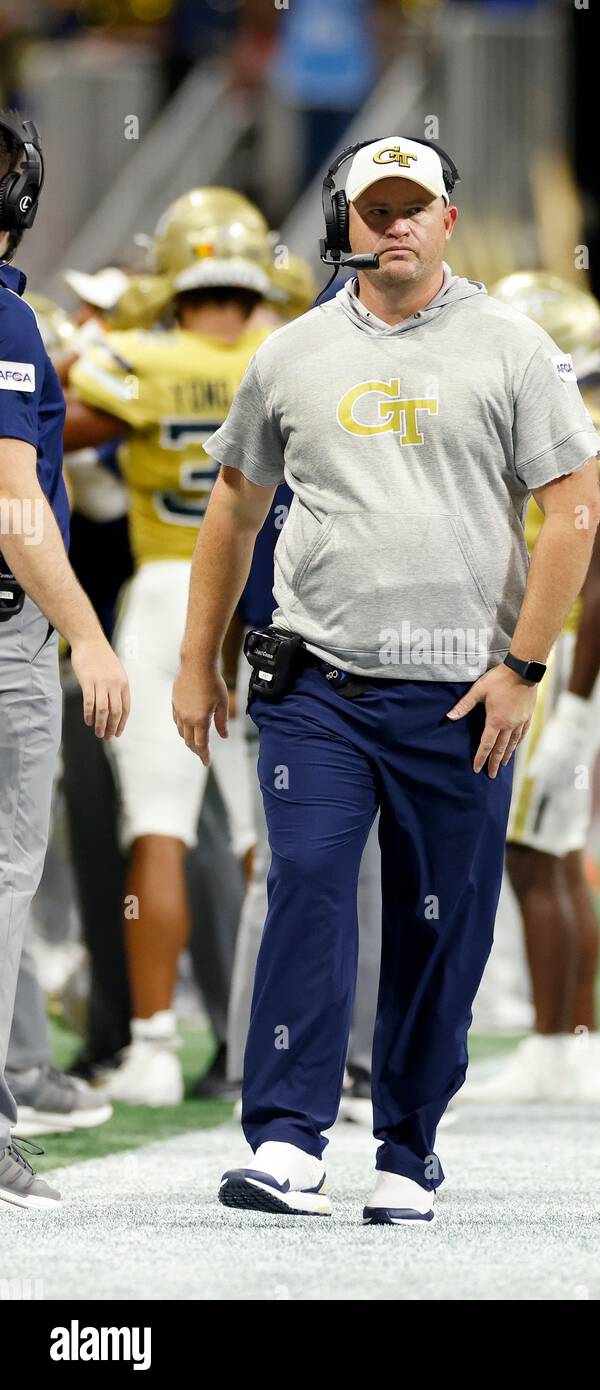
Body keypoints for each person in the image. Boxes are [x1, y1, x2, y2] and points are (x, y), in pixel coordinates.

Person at [172, 134, 600, 1224]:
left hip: (462, 693)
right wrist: (196, 658)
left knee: (438, 924)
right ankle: (285, 1136)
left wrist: (523, 667)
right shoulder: (291, 353)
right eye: (378, 208)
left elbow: (574, 508)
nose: (397, 224)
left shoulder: (514, 347)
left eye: (417, 206)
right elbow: (233, 504)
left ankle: (407, 1147)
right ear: (344, 225)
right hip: (315, 684)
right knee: (306, 883)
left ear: (449, 221)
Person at [62, 189, 277, 1105]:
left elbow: (49, 427)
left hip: (164, 598)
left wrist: (84, 336)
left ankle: (152, 1042)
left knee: (159, 823)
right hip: (264, 610)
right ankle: (266, 1039)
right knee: (266, 840)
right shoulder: (291, 354)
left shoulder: (140, 358)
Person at [459, 272, 600, 1104]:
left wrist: (569, 707)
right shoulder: (592, 423)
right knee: (560, 855)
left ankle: (553, 1042)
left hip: (566, 659)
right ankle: (576, 1039)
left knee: (537, 858)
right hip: (571, 659)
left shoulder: (582, 437)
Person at [0, 111, 129, 1209]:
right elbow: (12, 507)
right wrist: (87, 634)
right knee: (2, 881)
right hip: (4, 628)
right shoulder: (6, 320)